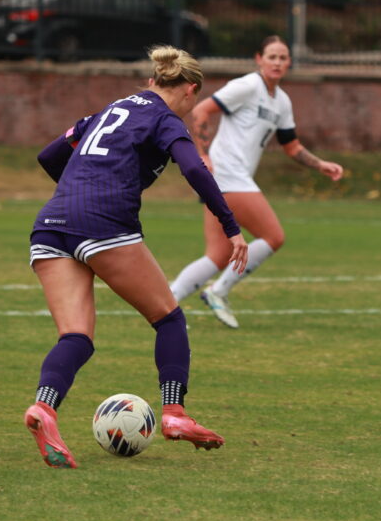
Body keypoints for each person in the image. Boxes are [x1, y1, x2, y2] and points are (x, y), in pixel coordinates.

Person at [24, 45, 248, 468]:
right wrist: (231, 227)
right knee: (168, 317)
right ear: (191, 90)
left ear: (152, 82)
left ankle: (44, 408)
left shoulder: (108, 111)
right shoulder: (165, 119)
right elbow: (197, 169)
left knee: (76, 336)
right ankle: (174, 414)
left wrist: (79, 191)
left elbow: (49, 155)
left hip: (52, 222)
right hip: (103, 223)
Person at [168, 35, 343, 329]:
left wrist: (320, 164)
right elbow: (201, 110)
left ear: (289, 63)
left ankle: (167, 306)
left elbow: (291, 146)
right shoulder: (248, 85)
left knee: (219, 255)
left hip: (232, 177)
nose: (277, 62)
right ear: (259, 59)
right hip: (227, 174)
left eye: (282, 57)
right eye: (271, 56)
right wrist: (201, 154)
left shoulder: (282, 101)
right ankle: (218, 291)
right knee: (274, 236)